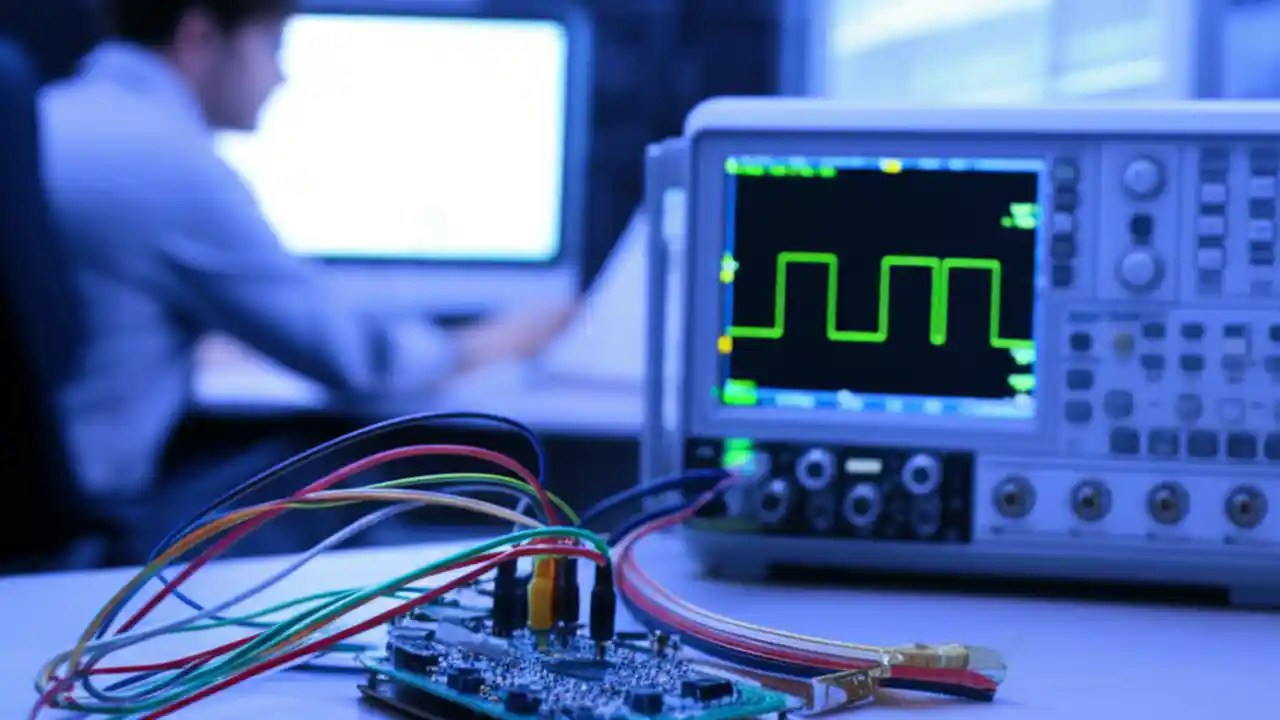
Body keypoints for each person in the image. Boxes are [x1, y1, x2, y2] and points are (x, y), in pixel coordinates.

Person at [38, 0, 575, 558]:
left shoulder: (47, 112)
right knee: (339, 457)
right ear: (199, 37)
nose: (282, 73)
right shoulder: (166, 161)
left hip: (37, 498)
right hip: (89, 519)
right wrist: (492, 341)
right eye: (271, 43)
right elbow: (363, 363)